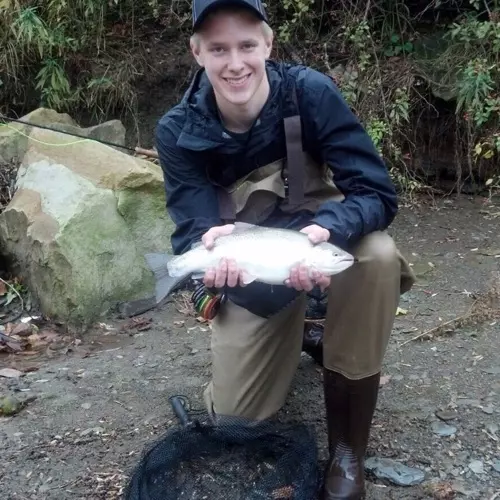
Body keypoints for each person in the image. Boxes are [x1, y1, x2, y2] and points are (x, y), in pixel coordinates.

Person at [155, 1, 416, 498]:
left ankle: (346, 450)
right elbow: (193, 231)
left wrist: (327, 231)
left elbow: (375, 193)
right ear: (197, 53)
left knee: (377, 256)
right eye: (218, 49)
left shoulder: (309, 93)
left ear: (268, 45)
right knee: (238, 420)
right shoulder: (176, 131)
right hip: (249, 262)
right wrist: (208, 260)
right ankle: (295, 331)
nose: (235, 63)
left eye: (247, 45)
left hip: (314, 234)